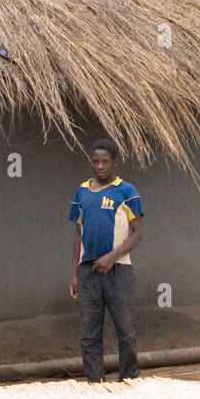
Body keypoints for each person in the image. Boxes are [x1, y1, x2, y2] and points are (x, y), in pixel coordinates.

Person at [69, 139, 144, 382]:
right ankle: (94, 382)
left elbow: (138, 233)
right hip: (87, 272)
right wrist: (74, 273)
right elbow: (77, 233)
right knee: (89, 332)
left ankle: (129, 379)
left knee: (125, 329)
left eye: (105, 161)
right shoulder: (82, 191)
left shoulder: (127, 191)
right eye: (95, 162)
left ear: (115, 162)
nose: (99, 166)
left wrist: (112, 257)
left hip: (118, 271)